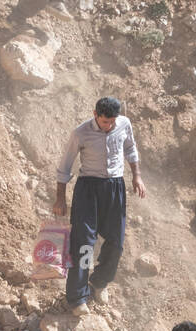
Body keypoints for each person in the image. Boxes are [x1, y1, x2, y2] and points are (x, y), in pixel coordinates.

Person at [54, 96, 146, 313]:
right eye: (105, 122)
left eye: (113, 121)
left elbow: (131, 149)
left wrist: (137, 176)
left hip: (115, 188)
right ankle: (77, 297)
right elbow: (65, 166)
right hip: (88, 190)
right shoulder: (81, 133)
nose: (110, 125)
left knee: (116, 242)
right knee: (84, 243)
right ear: (95, 114)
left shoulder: (124, 123)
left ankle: (99, 282)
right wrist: (60, 198)